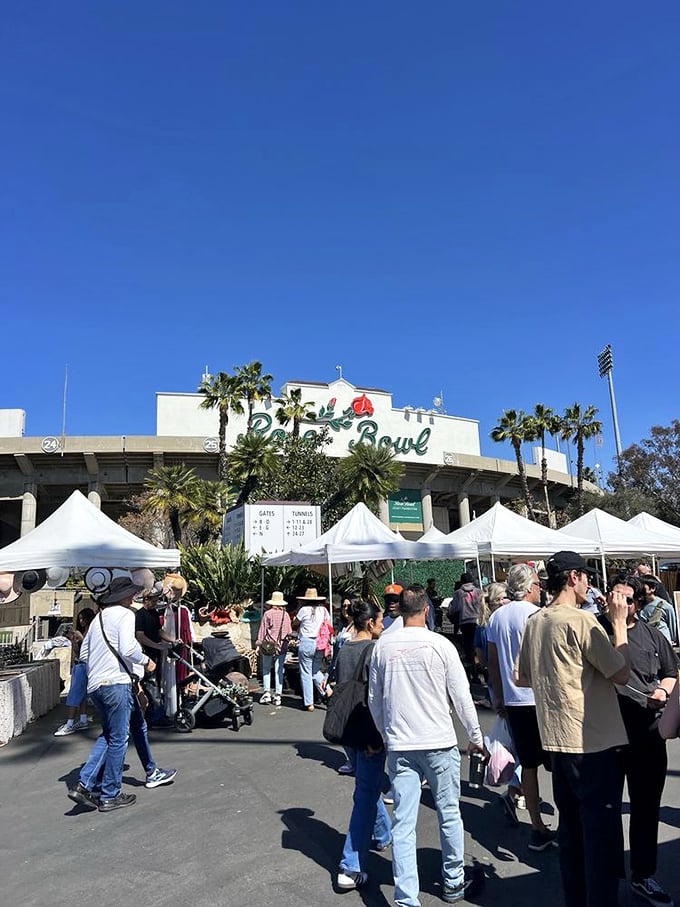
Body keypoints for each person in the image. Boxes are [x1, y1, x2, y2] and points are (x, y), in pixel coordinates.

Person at [517, 551, 631, 907]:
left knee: (572, 833)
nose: (588, 584)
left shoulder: (536, 621)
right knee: (600, 836)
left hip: (556, 740)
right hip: (592, 741)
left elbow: (521, 677)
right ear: (573, 578)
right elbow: (621, 672)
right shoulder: (580, 621)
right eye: (585, 577)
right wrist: (619, 623)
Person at [369, 585, 485, 906]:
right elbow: (462, 697)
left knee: (404, 823)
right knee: (449, 814)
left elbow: (374, 701)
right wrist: (476, 737)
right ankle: (453, 882)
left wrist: (385, 736)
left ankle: (406, 898)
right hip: (439, 742)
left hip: (401, 745)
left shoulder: (383, 647)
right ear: (426, 610)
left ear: (401, 611)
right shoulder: (440, 645)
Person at [599, 576, 678, 907]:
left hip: (647, 733)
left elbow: (672, 673)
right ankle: (607, 876)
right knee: (605, 811)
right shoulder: (594, 632)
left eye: (630, 600)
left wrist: (662, 690)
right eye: (618, 598)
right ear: (607, 599)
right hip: (605, 736)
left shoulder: (651, 634)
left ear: (639, 603)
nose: (624, 605)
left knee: (646, 809)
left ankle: (643, 874)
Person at [67, 576, 158, 812]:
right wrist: (146, 661)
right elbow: (128, 648)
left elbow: (85, 653)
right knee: (119, 738)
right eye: (132, 593)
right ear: (126, 596)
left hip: (96, 685)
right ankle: (110, 793)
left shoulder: (98, 619)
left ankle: (84, 784)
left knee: (109, 735)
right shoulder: (126, 615)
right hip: (115, 684)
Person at [486, 564, 556, 849]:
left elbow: (492, 661)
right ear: (528, 588)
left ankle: (537, 826)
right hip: (539, 698)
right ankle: (563, 824)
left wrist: (498, 695)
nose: (540, 589)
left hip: (513, 700)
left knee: (528, 764)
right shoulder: (536, 615)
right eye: (538, 584)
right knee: (557, 764)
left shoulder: (496, 617)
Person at [333, 599, 391, 890]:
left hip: (347, 729)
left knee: (366, 787)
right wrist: (377, 737)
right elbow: (374, 699)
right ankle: (350, 864)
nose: (383, 625)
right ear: (370, 623)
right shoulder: (373, 650)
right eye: (380, 621)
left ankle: (382, 834)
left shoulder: (343, 648)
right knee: (365, 795)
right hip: (369, 731)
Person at [54, 607, 96, 736]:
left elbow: (91, 649)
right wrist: (75, 642)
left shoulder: (91, 632)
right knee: (82, 695)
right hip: (81, 663)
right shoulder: (86, 632)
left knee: (73, 695)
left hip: (83, 665)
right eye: (80, 619)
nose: (81, 621)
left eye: (84, 618)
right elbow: (79, 652)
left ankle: (70, 723)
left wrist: (81, 638)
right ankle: (83, 719)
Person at [292, 588, 332, 711]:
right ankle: (328, 690)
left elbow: (295, 623)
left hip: (306, 642)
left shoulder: (303, 610)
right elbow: (329, 624)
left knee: (306, 672)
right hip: (320, 642)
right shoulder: (324, 610)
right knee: (314, 670)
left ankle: (309, 702)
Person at [256, 590, 292, 706]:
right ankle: (278, 695)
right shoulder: (285, 615)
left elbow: (262, 630)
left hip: (268, 645)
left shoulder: (268, 614)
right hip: (282, 646)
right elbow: (289, 631)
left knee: (266, 668)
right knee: (279, 670)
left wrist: (258, 644)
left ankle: (266, 693)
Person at [450, 573, 482, 680]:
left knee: (468, 649)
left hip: (464, 622)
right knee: (477, 647)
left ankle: (472, 673)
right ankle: (480, 669)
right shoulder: (478, 591)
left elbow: (456, 608)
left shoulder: (458, 593)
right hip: (477, 621)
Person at [638, 576, 678, 645]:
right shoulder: (638, 605)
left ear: (652, 588)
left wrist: (672, 639)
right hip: (646, 642)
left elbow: (672, 625)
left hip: (662, 642)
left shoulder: (665, 606)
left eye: (642, 585)